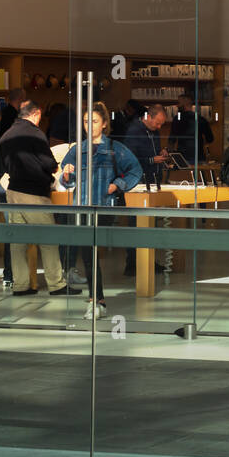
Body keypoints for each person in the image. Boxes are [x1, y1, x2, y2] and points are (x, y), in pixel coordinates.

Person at [59, 102, 143, 319]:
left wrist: (117, 185)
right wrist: (67, 175)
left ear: (104, 124)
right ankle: (97, 300)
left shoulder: (115, 149)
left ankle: (97, 301)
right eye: (86, 121)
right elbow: (68, 180)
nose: (89, 125)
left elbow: (136, 170)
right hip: (82, 207)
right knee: (89, 255)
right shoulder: (78, 150)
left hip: (105, 207)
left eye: (94, 121)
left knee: (91, 253)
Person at [0, 102, 74, 297]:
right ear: (36, 114)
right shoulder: (35, 134)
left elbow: (4, 165)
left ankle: (21, 285)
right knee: (48, 239)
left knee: (18, 243)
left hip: (13, 191)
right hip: (33, 193)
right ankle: (56, 284)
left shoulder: (6, 135)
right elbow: (48, 162)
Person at [121, 103, 170, 276]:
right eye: (157, 123)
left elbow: (152, 151)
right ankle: (133, 263)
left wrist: (161, 153)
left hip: (153, 179)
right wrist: (151, 160)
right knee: (137, 224)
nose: (159, 127)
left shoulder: (153, 131)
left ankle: (148, 260)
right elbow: (128, 158)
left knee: (151, 223)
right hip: (138, 182)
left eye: (161, 124)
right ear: (148, 117)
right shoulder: (134, 130)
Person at [170, 92, 215, 164]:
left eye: (179, 103)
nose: (177, 105)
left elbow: (172, 139)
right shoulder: (201, 119)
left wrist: (171, 154)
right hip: (199, 157)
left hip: (183, 158)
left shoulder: (177, 119)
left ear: (185, 104)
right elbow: (210, 139)